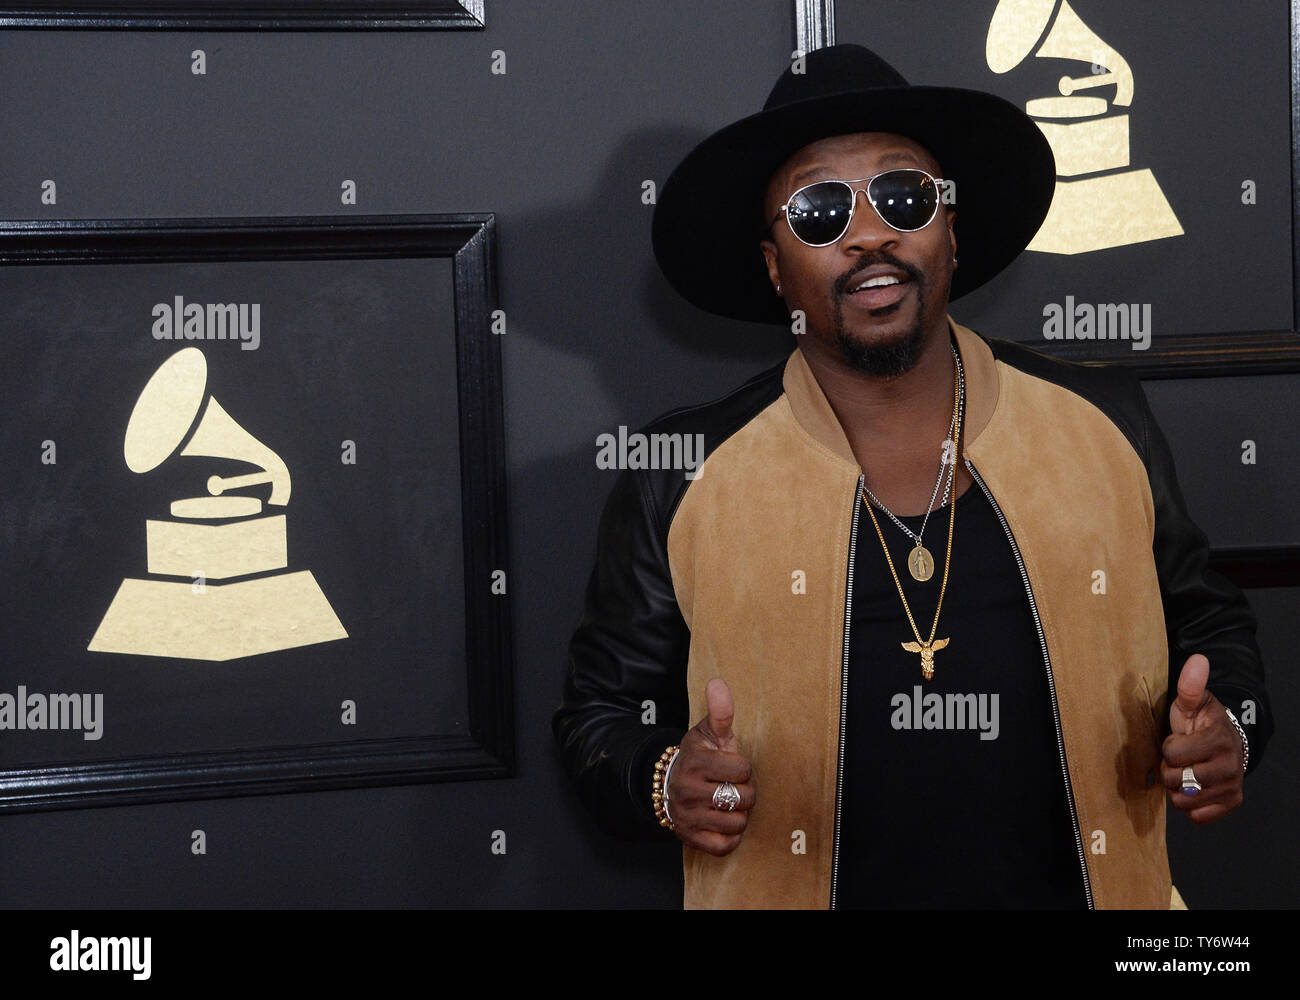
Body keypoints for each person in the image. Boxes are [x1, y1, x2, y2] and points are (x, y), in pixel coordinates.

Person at [552, 43, 1272, 909]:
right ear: (776, 263)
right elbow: (598, 721)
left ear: (950, 230)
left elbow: (1210, 623)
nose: (869, 234)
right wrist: (665, 778)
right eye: (820, 210)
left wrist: (1227, 725)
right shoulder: (683, 476)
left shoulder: (1103, 422)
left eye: (903, 196)